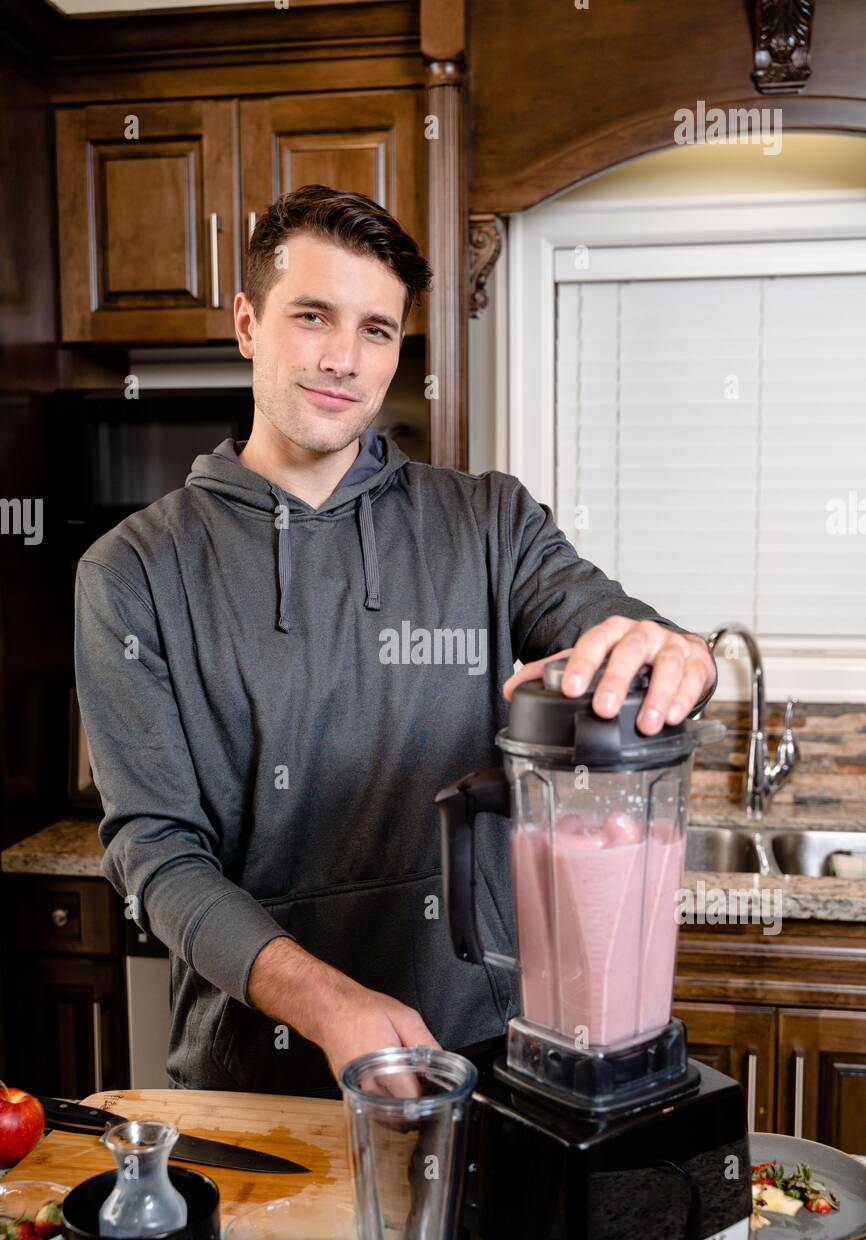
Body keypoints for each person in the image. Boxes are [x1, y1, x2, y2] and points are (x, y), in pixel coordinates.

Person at [74, 184, 717, 1097]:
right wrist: (332, 1004)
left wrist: (675, 653)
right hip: (257, 1081)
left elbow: (618, 634)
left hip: (487, 1062)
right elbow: (158, 854)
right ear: (249, 323)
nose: (344, 358)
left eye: (377, 330)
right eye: (313, 316)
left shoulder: (491, 521)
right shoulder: (130, 572)